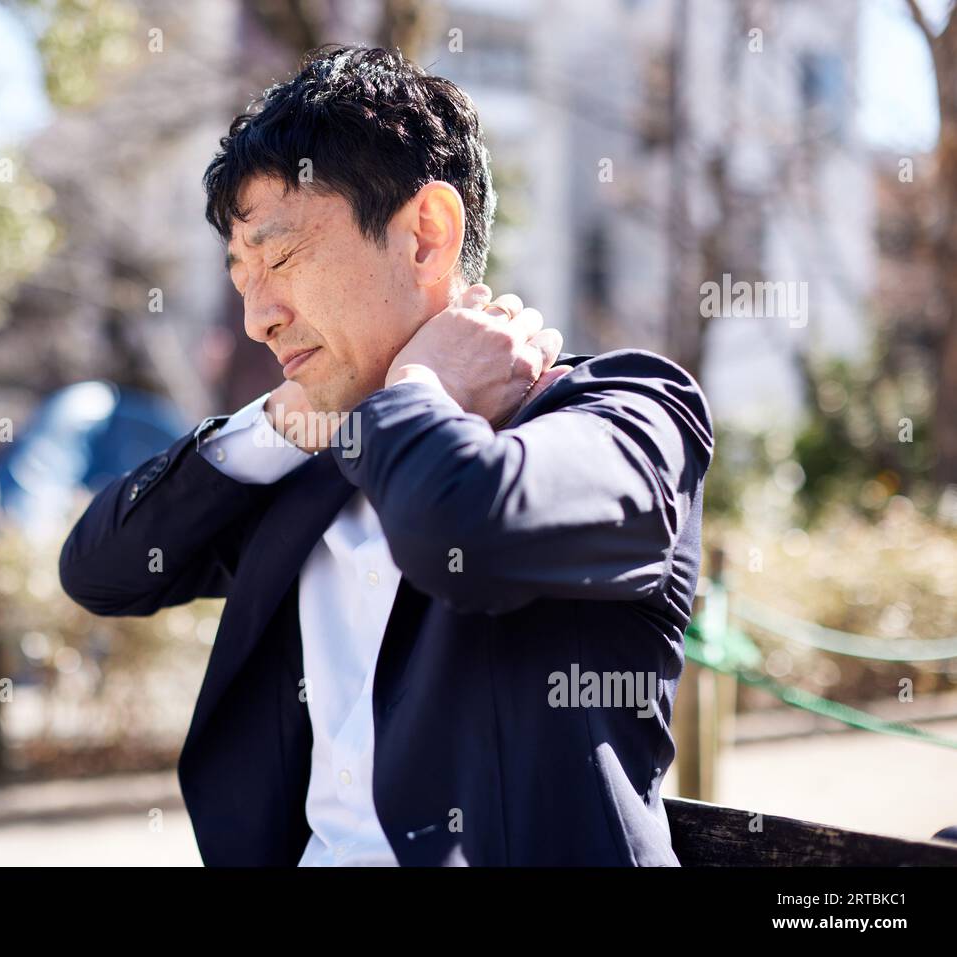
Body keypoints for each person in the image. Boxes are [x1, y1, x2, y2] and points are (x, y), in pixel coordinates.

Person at [60, 45, 714, 866]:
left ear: (425, 236)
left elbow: (464, 528)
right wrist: (273, 422)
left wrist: (418, 386)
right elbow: (102, 569)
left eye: (283, 256)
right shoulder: (311, 456)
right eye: (241, 274)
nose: (259, 315)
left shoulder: (629, 411)